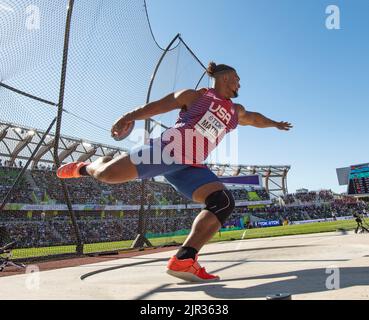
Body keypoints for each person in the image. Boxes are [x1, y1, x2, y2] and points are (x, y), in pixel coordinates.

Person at [57, 62, 292, 282]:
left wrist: (275, 124)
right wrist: (128, 117)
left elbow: (254, 119)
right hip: (167, 150)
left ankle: (184, 259)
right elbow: (158, 106)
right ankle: (85, 167)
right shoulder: (196, 96)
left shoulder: (234, 111)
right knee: (107, 174)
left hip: (191, 165)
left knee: (222, 201)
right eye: (237, 80)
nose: (240, 85)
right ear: (226, 77)